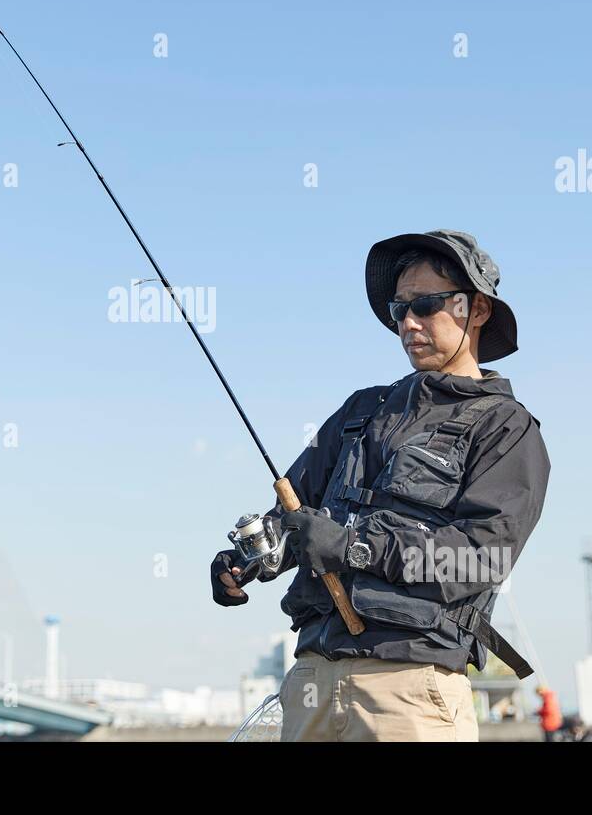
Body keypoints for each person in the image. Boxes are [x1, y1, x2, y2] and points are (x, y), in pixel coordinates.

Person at [210, 230, 550, 741]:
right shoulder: (360, 410)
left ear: (476, 310)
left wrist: (355, 548)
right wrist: (249, 560)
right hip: (311, 684)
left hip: (412, 690)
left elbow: (482, 557)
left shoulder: (506, 428)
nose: (409, 323)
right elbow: (293, 516)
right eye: (400, 309)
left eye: (428, 305)